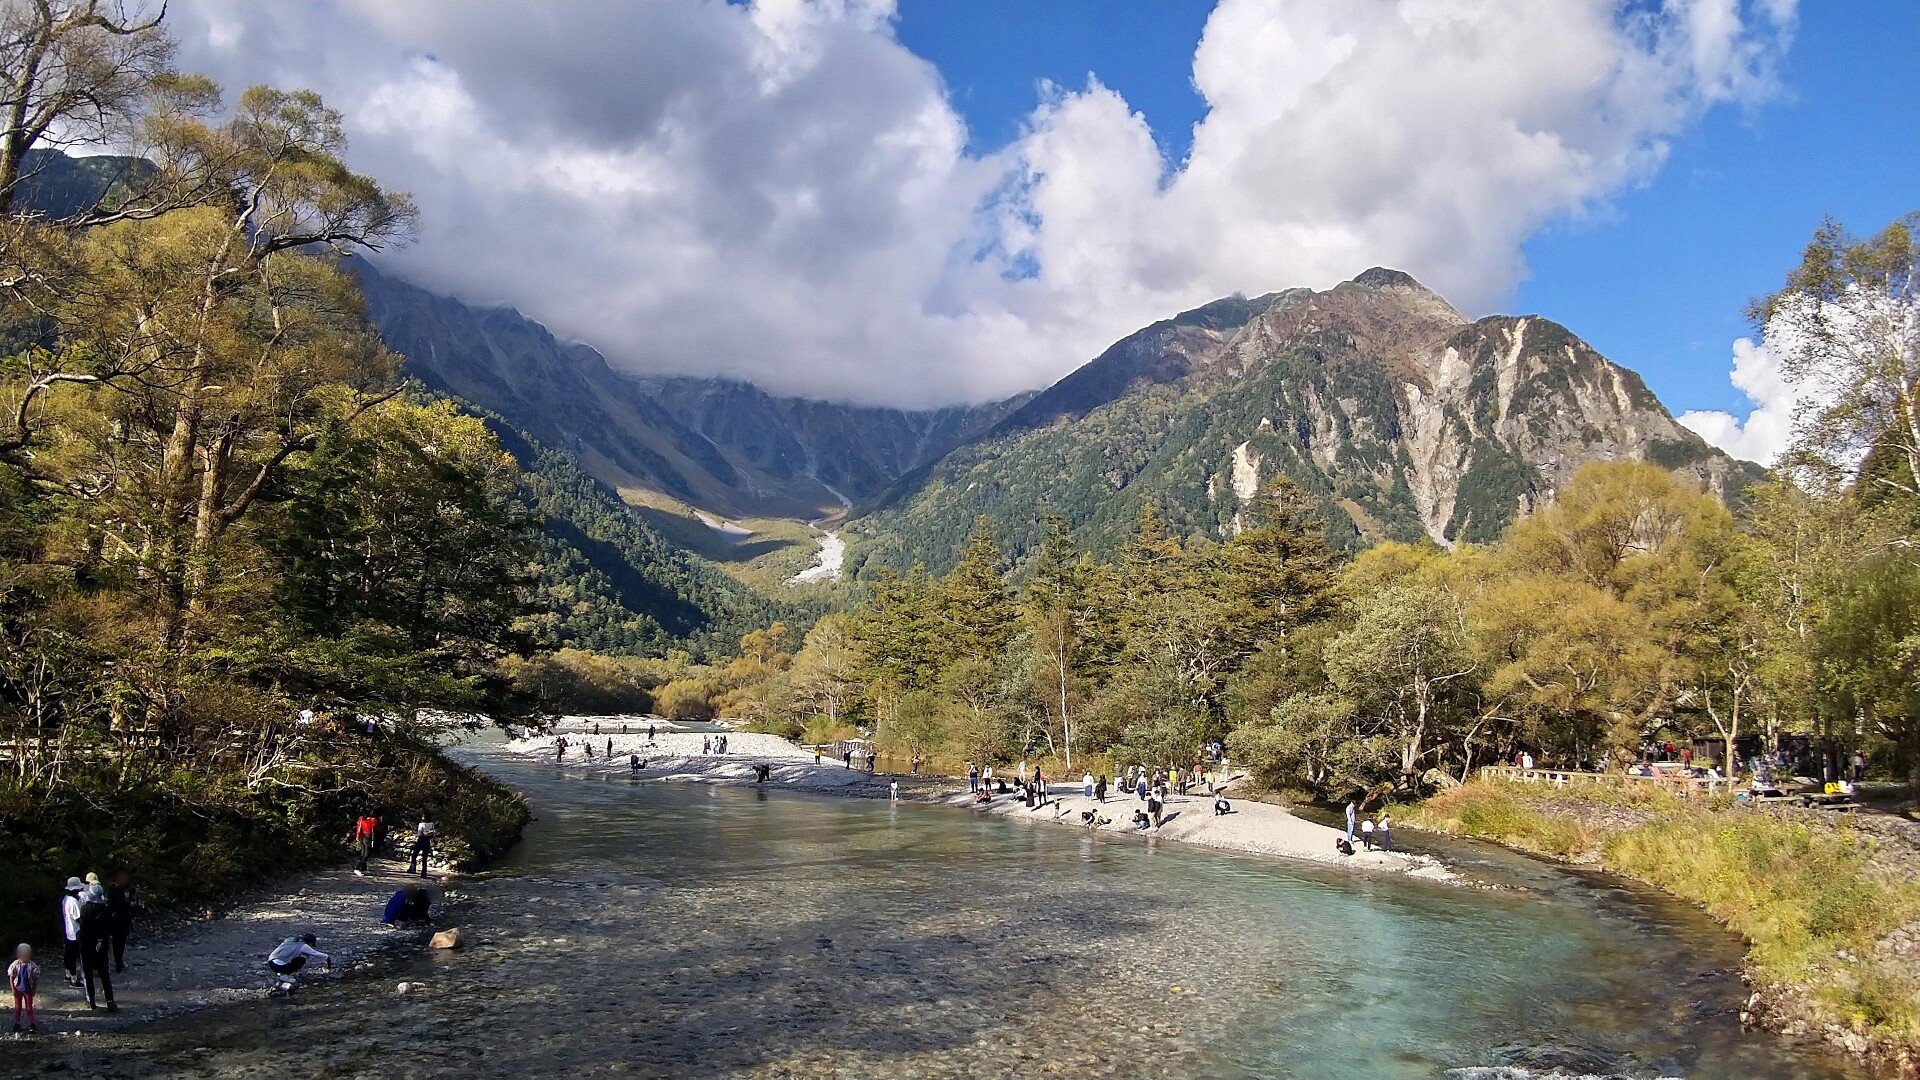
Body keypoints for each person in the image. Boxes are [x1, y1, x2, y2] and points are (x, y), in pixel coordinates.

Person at [78, 884, 114, 1011]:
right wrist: (101, 940)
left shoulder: (84, 909)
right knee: (104, 974)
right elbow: (109, 928)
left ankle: (91, 1001)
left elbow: (83, 929)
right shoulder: (106, 910)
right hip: (102, 947)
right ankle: (110, 1000)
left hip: (87, 946)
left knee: (87, 974)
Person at [106, 871, 139, 974]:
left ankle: (118, 962)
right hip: (115, 919)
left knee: (119, 942)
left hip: (122, 919)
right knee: (116, 942)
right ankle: (116, 962)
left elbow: (134, 905)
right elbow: (112, 904)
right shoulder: (113, 889)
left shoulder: (129, 890)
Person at [59, 878, 82, 987]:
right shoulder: (73, 901)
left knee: (68, 954)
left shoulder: (65, 899)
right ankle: (74, 978)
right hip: (75, 930)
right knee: (74, 956)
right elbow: (78, 917)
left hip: (68, 930)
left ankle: (67, 973)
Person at [9, 944, 38, 1035]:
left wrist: (34, 989)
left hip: (28, 989)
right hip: (18, 989)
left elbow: (36, 978)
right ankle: (17, 1023)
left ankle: (32, 1023)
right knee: (18, 1007)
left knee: (29, 1007)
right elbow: (11, 976)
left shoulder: (32, 965)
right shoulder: (15, 964)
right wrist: (13, 989)